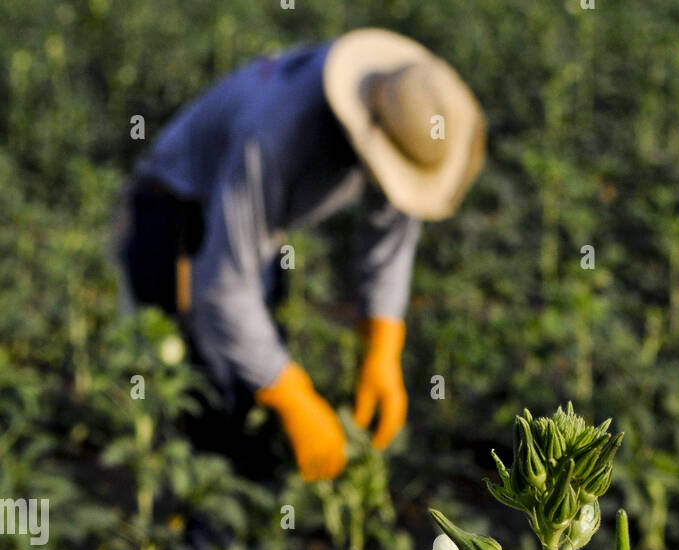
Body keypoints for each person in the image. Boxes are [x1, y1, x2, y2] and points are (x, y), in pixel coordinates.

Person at [119, 28, 486, 480]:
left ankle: (252, 496)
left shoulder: (402, 109)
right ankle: (201, 522)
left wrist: (383, 342)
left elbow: (391, 232)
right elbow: (222, 287)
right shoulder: (275, 133)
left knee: (255, 362)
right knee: (205, 384)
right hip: (179, 205)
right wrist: (291, 395)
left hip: (256, 228)